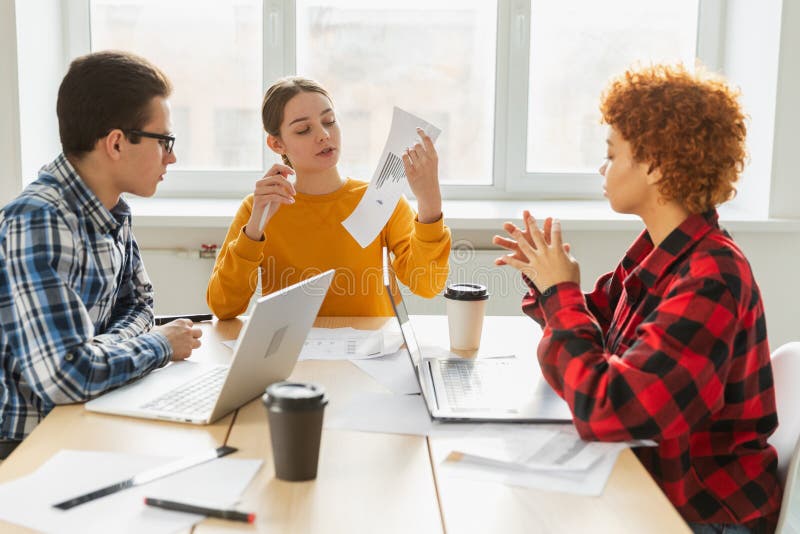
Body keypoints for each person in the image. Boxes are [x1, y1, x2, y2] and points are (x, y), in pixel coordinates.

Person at [494, 64, 780, 533]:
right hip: (655, 489)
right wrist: (548, 285)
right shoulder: (661, 252)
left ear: (655, 164)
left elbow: (611, 410)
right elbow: (596, 329)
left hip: (701, 516)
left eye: (611, 154)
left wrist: (559, 293)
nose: (601, 168)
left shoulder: (711, 280)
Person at [0, 51, 203, 458]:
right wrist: (159, 345)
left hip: (91, 415)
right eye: (164, 141)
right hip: (30, 447)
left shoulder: (111, 209)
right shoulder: (37, 220)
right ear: (115, 142)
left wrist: (100, 351)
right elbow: (66, 376)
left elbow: (141, 305)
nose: (172, 157)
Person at [207, 77, 451, 318]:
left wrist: (429, 202)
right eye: (304, 129)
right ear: (276, 144)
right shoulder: (259, 208)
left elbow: (428, 285)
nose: (324, 134)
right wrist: (254, 231)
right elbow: (223, 307)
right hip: (293, 354)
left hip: (372, 353)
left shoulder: (381, 200)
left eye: (329, 121)